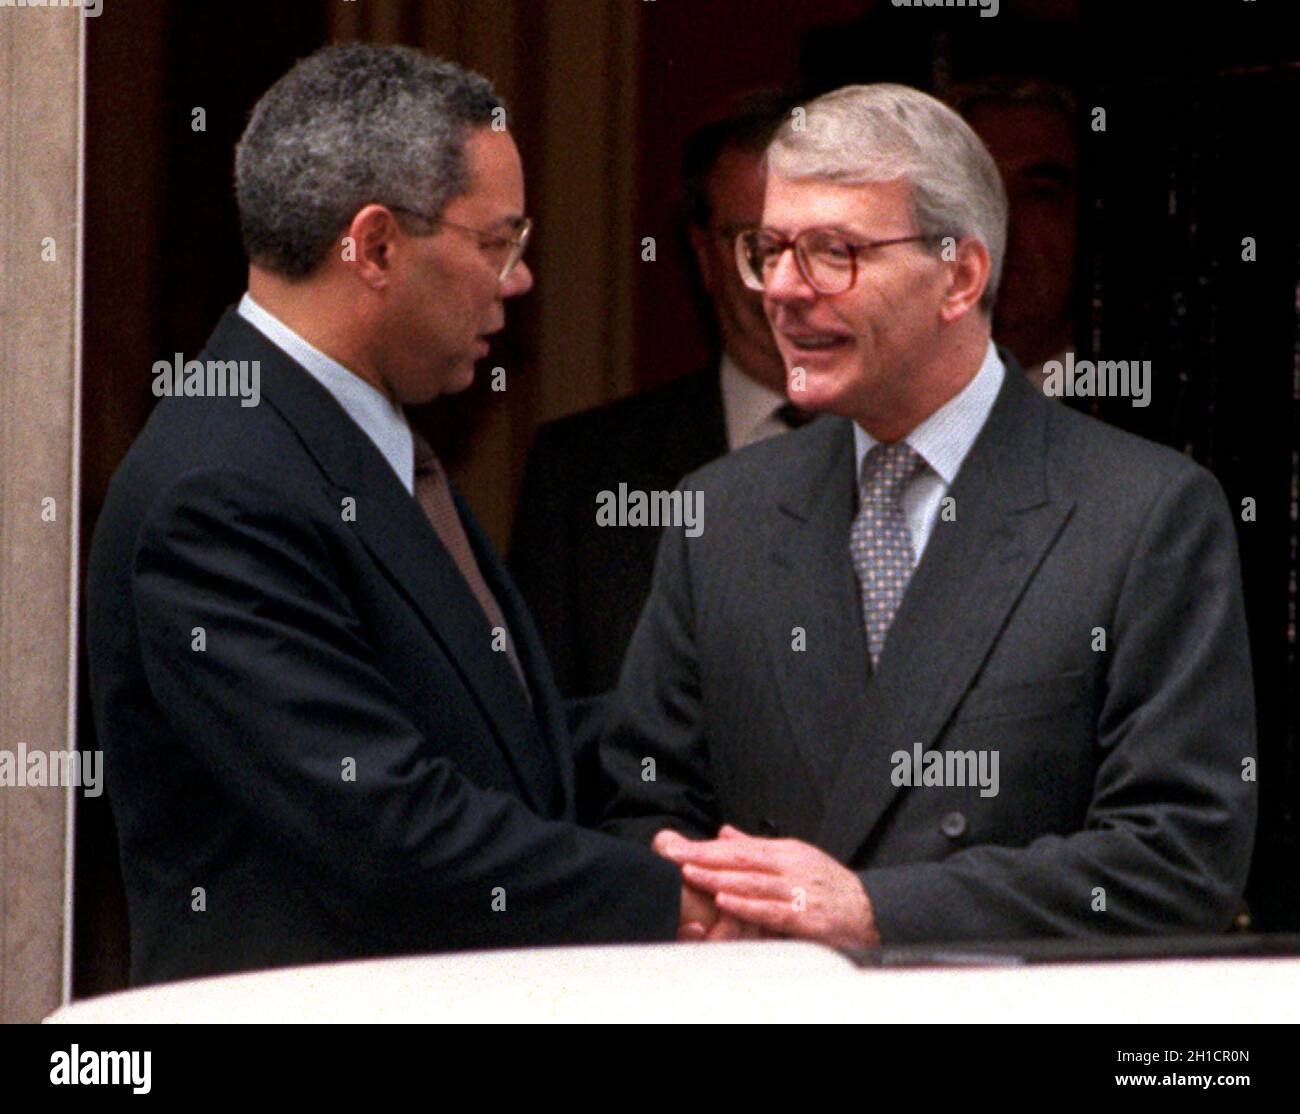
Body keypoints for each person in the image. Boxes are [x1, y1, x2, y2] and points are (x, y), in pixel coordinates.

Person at [85, 44, 692, 987]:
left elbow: (497, 744)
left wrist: (721, 715)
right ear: (373, 247)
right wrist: (689, 909)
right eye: (498, 243)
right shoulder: (221, 488)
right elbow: (391, 830)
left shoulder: (332, 432)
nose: (520, 279)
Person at [599, 83, 1257, 947]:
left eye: (833, 252)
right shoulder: (720, 511)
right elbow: (638, 812)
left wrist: (877, 911)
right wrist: (705, 905)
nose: (783, 292)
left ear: (960, 274)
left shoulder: (1145, 515)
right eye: (769, 250)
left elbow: (1181, 859)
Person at [509, 93, 799, 701]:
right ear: (703, 255)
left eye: (821, 244)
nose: (785, 281)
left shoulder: (919, 440)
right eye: (756, 244)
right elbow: (547, 739)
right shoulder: (583, 474)